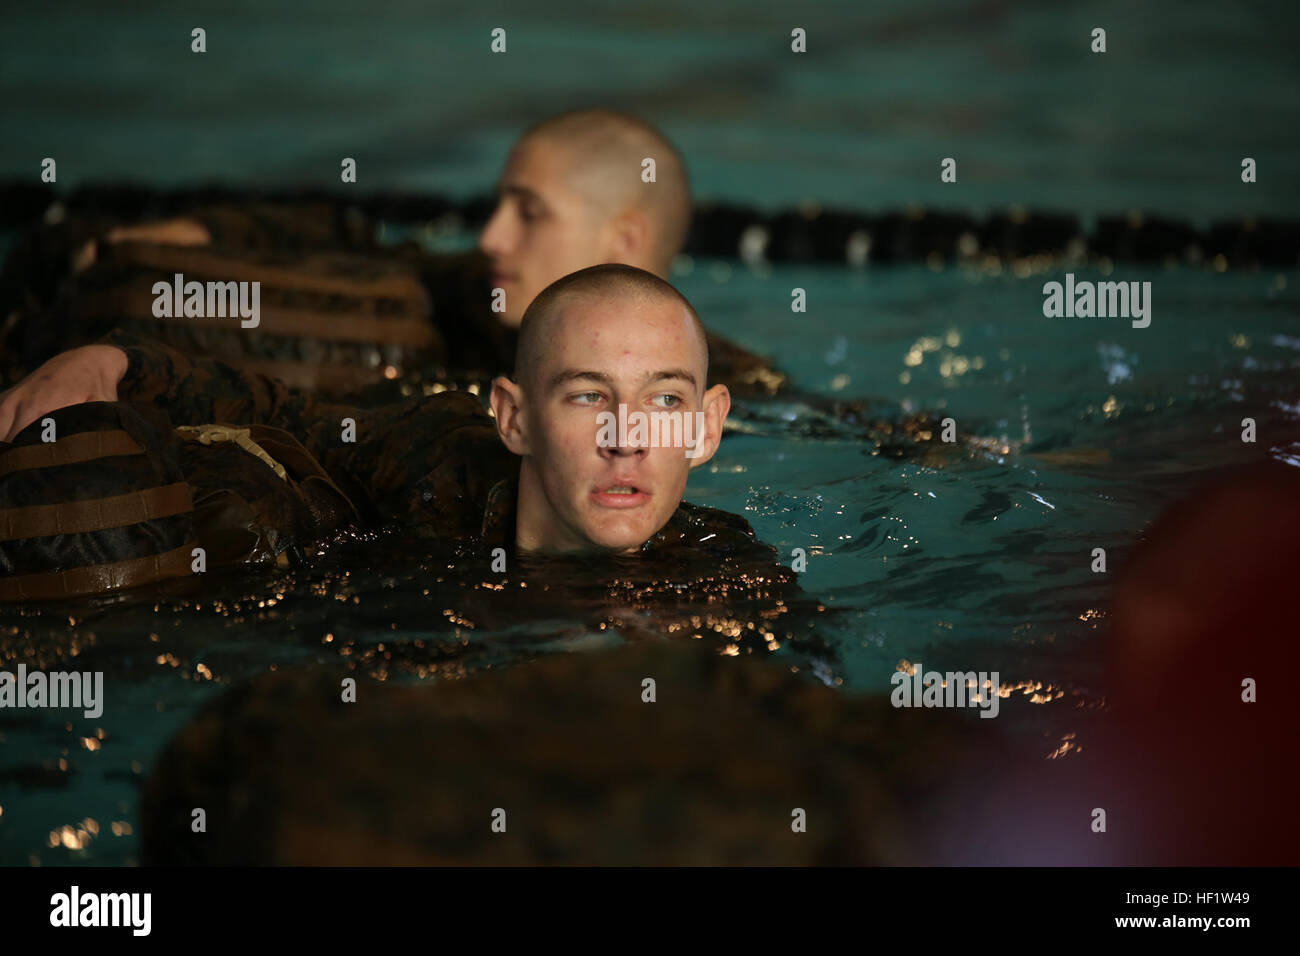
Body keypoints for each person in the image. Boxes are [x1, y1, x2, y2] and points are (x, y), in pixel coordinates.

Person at [0, 266, 787, 595]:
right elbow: (282, 412)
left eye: (663, 401)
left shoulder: (728, 583)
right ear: (513, 419)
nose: (628, 438)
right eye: (587, 397)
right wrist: (114, 362)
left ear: (707, 426)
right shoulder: (430, 461)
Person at [1, 110, 788, 400]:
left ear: (624, 244)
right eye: (498, 204)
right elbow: (357, 237)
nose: (490, 237)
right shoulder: (473, 290)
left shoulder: (714, 382)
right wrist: (208, 236)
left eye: (529, 212)